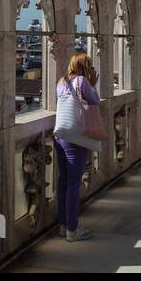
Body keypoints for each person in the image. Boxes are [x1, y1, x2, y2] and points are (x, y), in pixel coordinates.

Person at [53, 52, 100, 242]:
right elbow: (95, 102)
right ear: (85, 66)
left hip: (60, 135)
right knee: (73, 183)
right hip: (76, 137)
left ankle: (64, 225)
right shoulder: (82, 81)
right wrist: (93, 85)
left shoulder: (61, 82)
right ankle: (73, 230)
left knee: (63, 181)